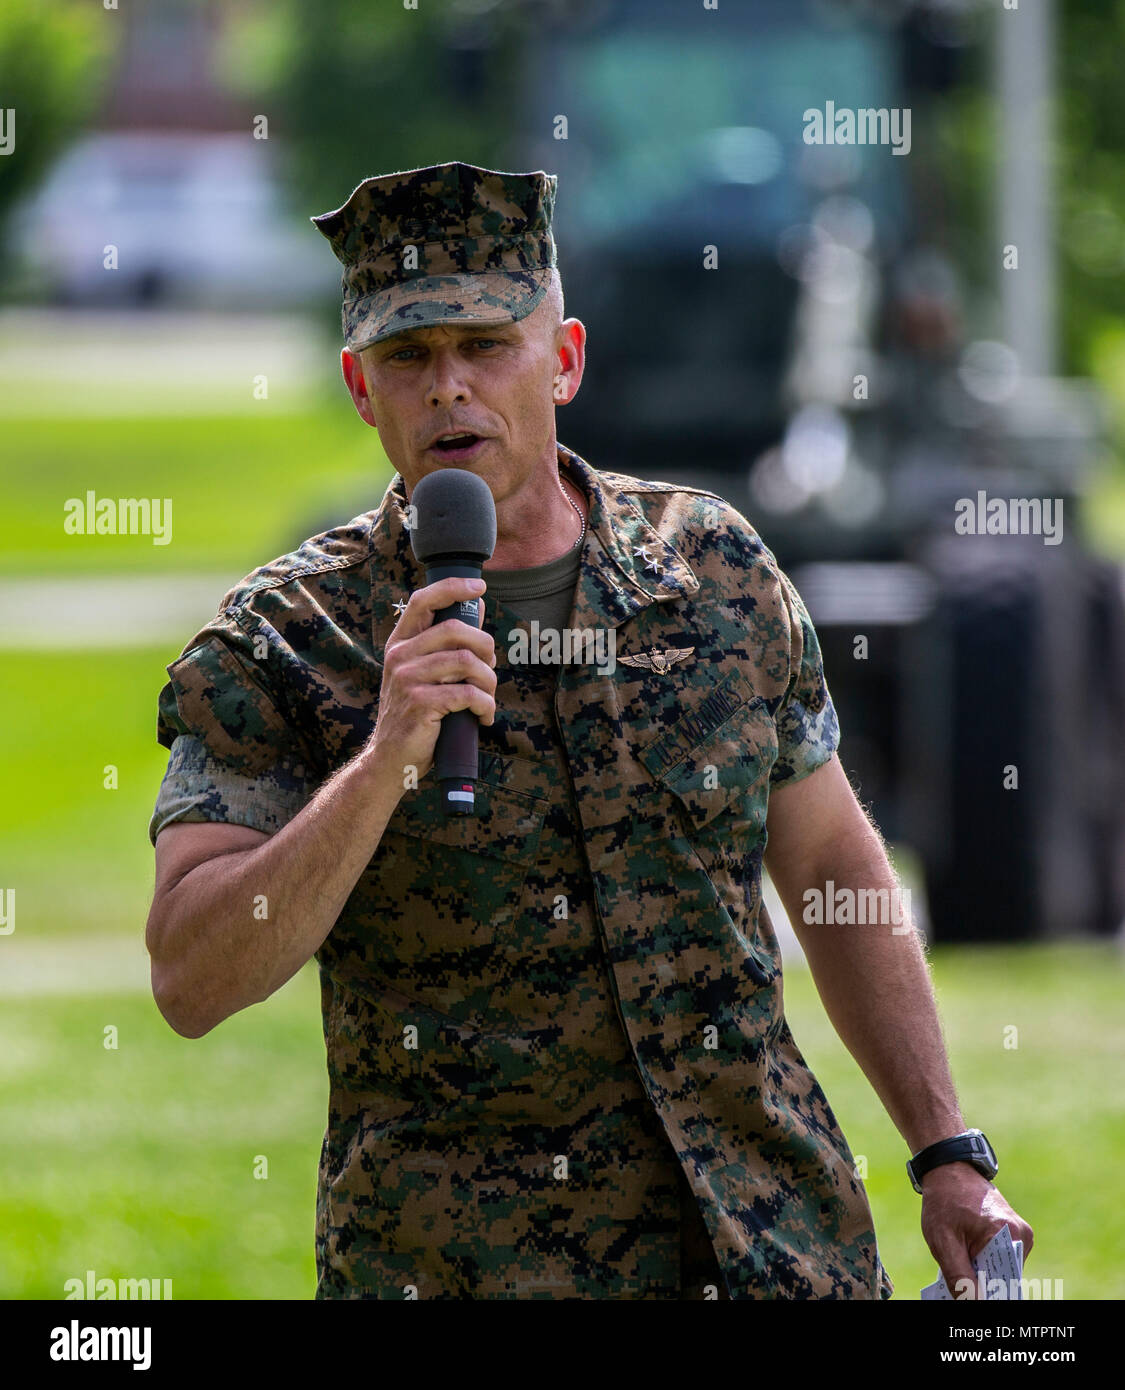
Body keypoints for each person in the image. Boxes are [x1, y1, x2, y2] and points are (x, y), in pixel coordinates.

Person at [145, 161, 1032, 1300]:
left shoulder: (714, 570)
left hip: (767, 1247)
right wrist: (382, 762)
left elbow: (830, 866)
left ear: (562, 359)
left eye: (485, 345)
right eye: (409, 358)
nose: (448, 390)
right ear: (362, 390)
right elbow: (189, 974)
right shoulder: (286, 641)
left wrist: (948, 1151)